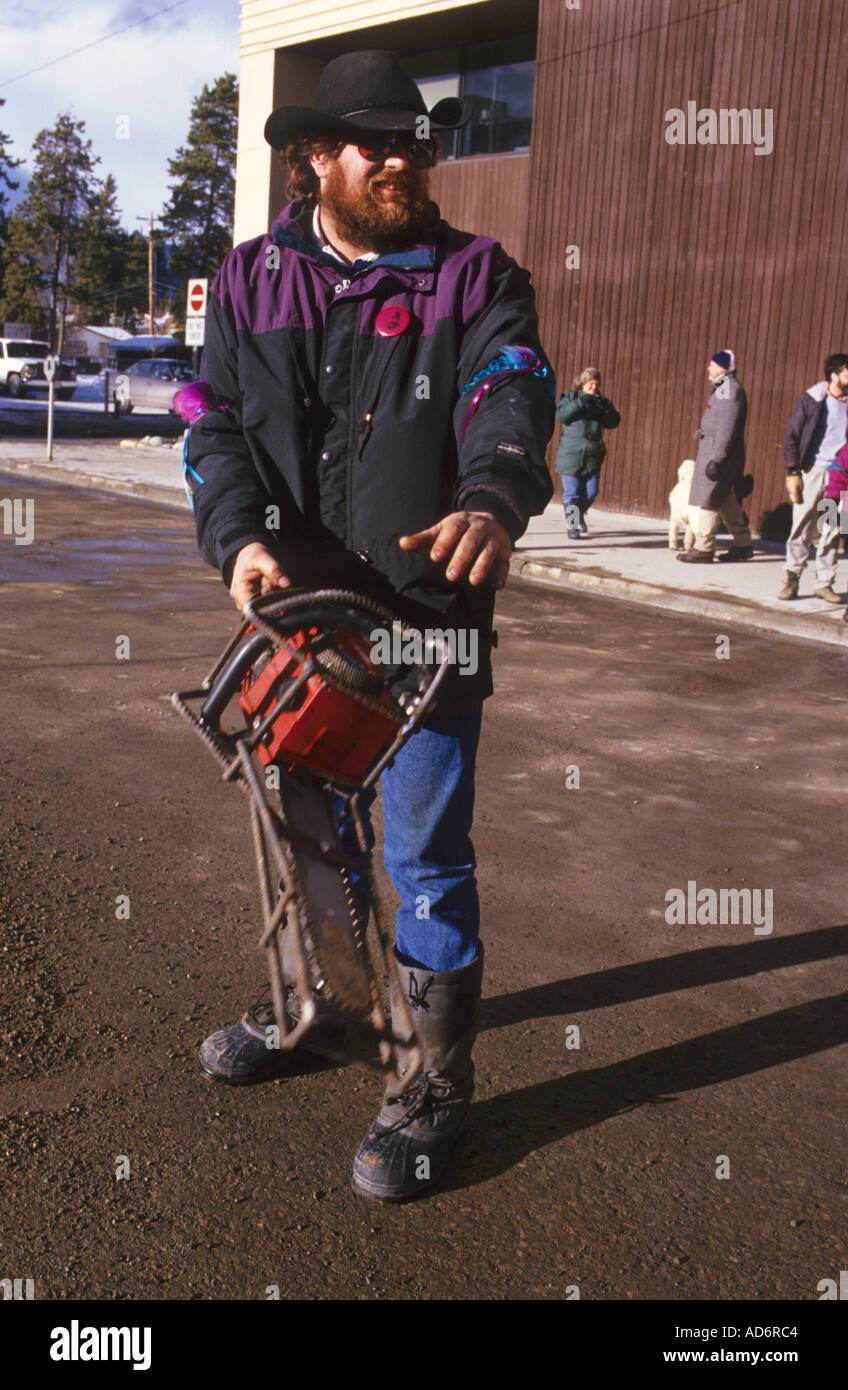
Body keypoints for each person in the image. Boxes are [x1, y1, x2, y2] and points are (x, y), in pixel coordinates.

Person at [181, 50, 555, 1202]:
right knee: (309, 841)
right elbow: (211, 423)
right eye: (375, 140)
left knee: (425, 860)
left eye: (414, 141)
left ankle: (437, 1086)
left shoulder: (473, 275)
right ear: (315, 158)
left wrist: (494, 492)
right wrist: (235, 534)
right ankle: (320, 1008)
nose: (401, 157)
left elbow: (512, 381)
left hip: (426, 627)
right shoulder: (249, 281)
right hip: (300, 628)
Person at [778, 353, 848, 602]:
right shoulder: (813, 399)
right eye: (847, 371)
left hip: (838, 476)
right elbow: (792, 435)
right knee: (802, 526)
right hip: (813, 472)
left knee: (832, 528)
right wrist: (793, 471)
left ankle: (824, 583)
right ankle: (792, 579)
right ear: (834, 375)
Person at [677, 350, 752, 564]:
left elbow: (727, 427)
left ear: (722, 367)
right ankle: (743, 544)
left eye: (711, 364)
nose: (708, 368)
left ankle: (704, 548)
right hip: (717, 453)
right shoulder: (724, 388)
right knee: (726, 499)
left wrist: (717, 459)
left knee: (707, 500)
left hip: (718, 455)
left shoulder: (728, 389)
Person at [554, 368, 620, 537]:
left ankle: (578, 515)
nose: (593, 388)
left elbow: (613, 422)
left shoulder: (602, 402)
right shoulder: (570, 398)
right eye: (590, 384)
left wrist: (605, 408)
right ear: (583, 383)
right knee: (573, 493)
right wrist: (580, 402)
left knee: (592, 491)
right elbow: (561, 416)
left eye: (596, 384)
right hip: (571, 455)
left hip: (592, 457)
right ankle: (573, 525)